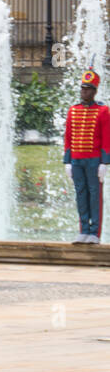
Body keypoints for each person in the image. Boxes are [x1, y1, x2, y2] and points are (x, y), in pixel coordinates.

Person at [63, 68, 110, 244]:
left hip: (94, 160)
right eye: (83, 88)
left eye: (88, 89)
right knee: (81, 195)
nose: (84, 91)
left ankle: (94, 233)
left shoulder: (103, 111)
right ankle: (83, 230)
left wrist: (104, 162)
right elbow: (68, 137)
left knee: (94, 195)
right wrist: (67, 161)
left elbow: (107, 138)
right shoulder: (73, 110)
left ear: (95, 91)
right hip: (76, 160)